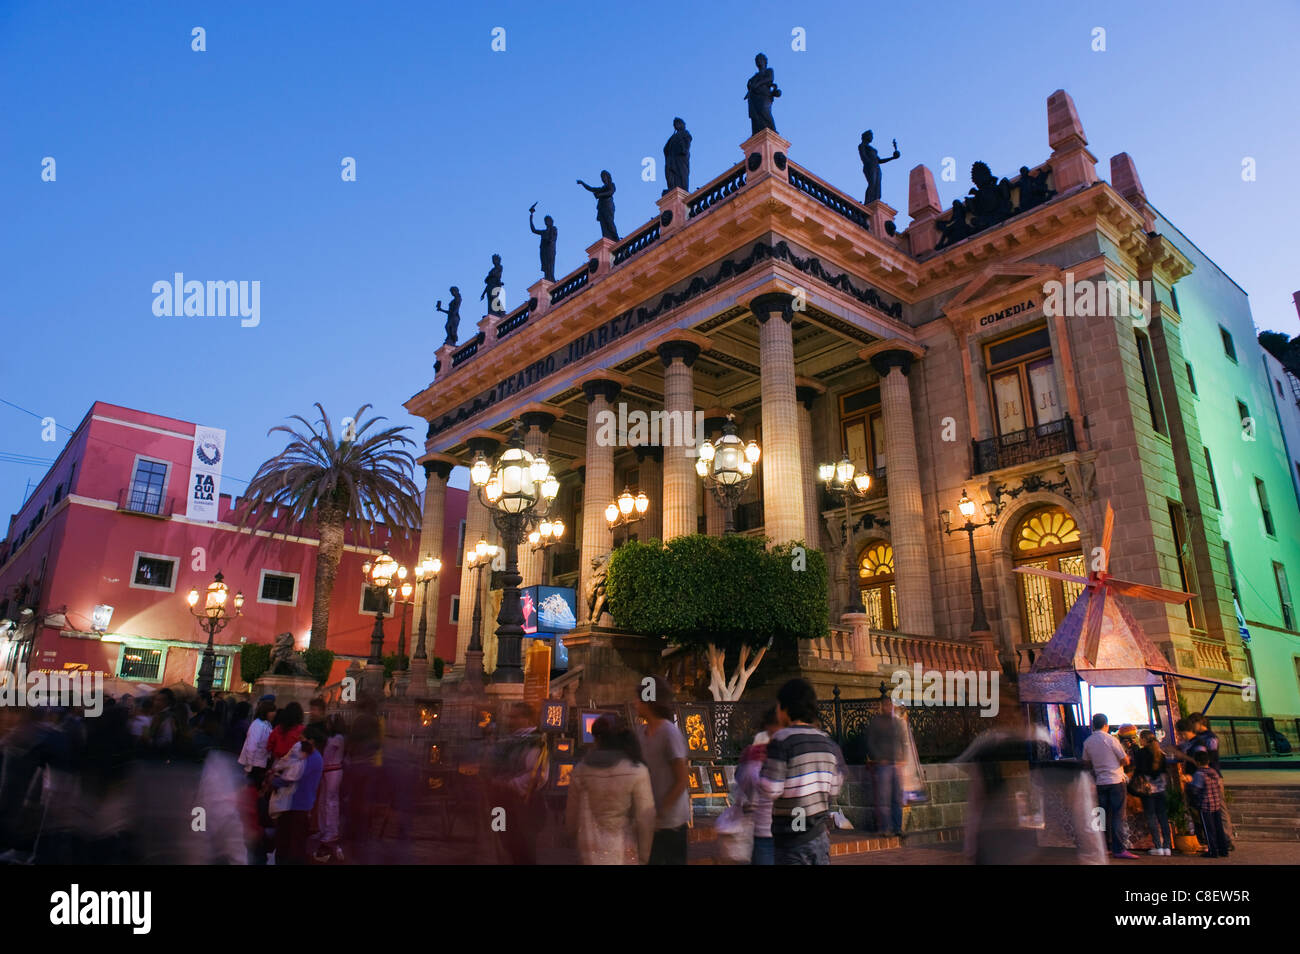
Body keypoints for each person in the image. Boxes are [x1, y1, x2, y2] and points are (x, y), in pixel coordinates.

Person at [759, 679, 845, 865]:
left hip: (791, 840)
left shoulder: (782, 740)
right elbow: (835, 788)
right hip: (819, 836)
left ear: (785, 708)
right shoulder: (827, 742)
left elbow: (771, 788)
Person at [566, 716, 655, 864]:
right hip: (624, 851)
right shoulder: (637, 770)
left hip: (590, 851)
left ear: (596, 739)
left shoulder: (581, 770)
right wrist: (644, 856)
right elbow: (645, 818)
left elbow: (572, 819)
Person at [485, 702, 549, 865]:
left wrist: (508, 784)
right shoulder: (509, 741)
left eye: (515, 717)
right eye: (509, 717)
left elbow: (537, 775)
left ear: (527, 720)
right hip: (500, 805)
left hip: (523, 807)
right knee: (501, 843)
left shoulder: (537, 742)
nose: (510, 721)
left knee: (522, 851)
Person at [635, 676, 690, 864]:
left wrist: (660, 811)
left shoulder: (669, 733)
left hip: (672, 823)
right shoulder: (640, 733)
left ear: (649, 701)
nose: (635, 703)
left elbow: (682, 779)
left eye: (639, 698)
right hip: (650, 822)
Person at [1081, 712, 1136, 859]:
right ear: (1106, 725)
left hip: (1100, 782)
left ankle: (1102, 848)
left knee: (1101, 815)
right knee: (1117, 816)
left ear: (1093, 725)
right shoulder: (1111, 740)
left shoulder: (1088, 742)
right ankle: (1119, 849)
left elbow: (1086, 763)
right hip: (1116, 781)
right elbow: (1125, 760)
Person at [733, 708, 780, 865]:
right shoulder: (759, 758)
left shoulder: (751, 758)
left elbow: (742, 785)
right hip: (770, 829)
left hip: (764, 829)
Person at [269, 738, 322, 865]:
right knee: (287, 841)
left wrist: (273, 780)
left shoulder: (312, 758)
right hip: (292, 804)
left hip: (297, 805)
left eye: (303, 737)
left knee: (292, 844)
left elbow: (291, 777)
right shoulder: (308, 755)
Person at [866, 699, 907, 836]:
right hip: (884, 764)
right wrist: (878, 757)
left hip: (896, 764)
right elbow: (870, 742)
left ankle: (897, 828)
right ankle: (885, 828)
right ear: (882, 707)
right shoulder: (877, 722)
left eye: (890, 705)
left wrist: (903, 758)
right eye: (886, 705)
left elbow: (903, 741)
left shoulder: (897, 723)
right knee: (884, 798)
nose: (889, 707)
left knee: (896, 798)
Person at [313, 714, 347, 863]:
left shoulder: (337, 738)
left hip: (333, 771)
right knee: (324, 802)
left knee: (330, 803)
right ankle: (324, 830)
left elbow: (326, 755)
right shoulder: (336, 738)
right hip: (329, 770)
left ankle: (331, 832)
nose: (326, 726)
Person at [1134, 730, 1171, 856]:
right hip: (1161, 788)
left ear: (1144, 739)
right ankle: (1167, 846)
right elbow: (1164, 770)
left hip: (1148, 789)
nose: (1139, 740)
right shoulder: (1160, 753)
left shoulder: (1141, 753)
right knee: (1163, 816)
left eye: (1140, 738)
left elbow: (1139, 769)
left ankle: (1158, 846)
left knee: (1151, 816)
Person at [1187, 751, 1228, 858]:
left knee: (1209, 829)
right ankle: (1223, 849)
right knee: (1219, 828)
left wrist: (1188, 783)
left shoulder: (1199, 774)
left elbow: (1195, 790)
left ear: (1197, 762)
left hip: (1205, 805)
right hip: (1216, 804)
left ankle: (1212, 851)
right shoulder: (1213, 772)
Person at [238, 699, 276, 787]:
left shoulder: (267, 724)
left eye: (274, 711)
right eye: (272, 711)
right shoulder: (257, 725)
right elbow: (252, 745)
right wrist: (249, 766)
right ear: (265, 711)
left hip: (259, 762)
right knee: (251, 787)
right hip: (254, 763)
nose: (274, 713)